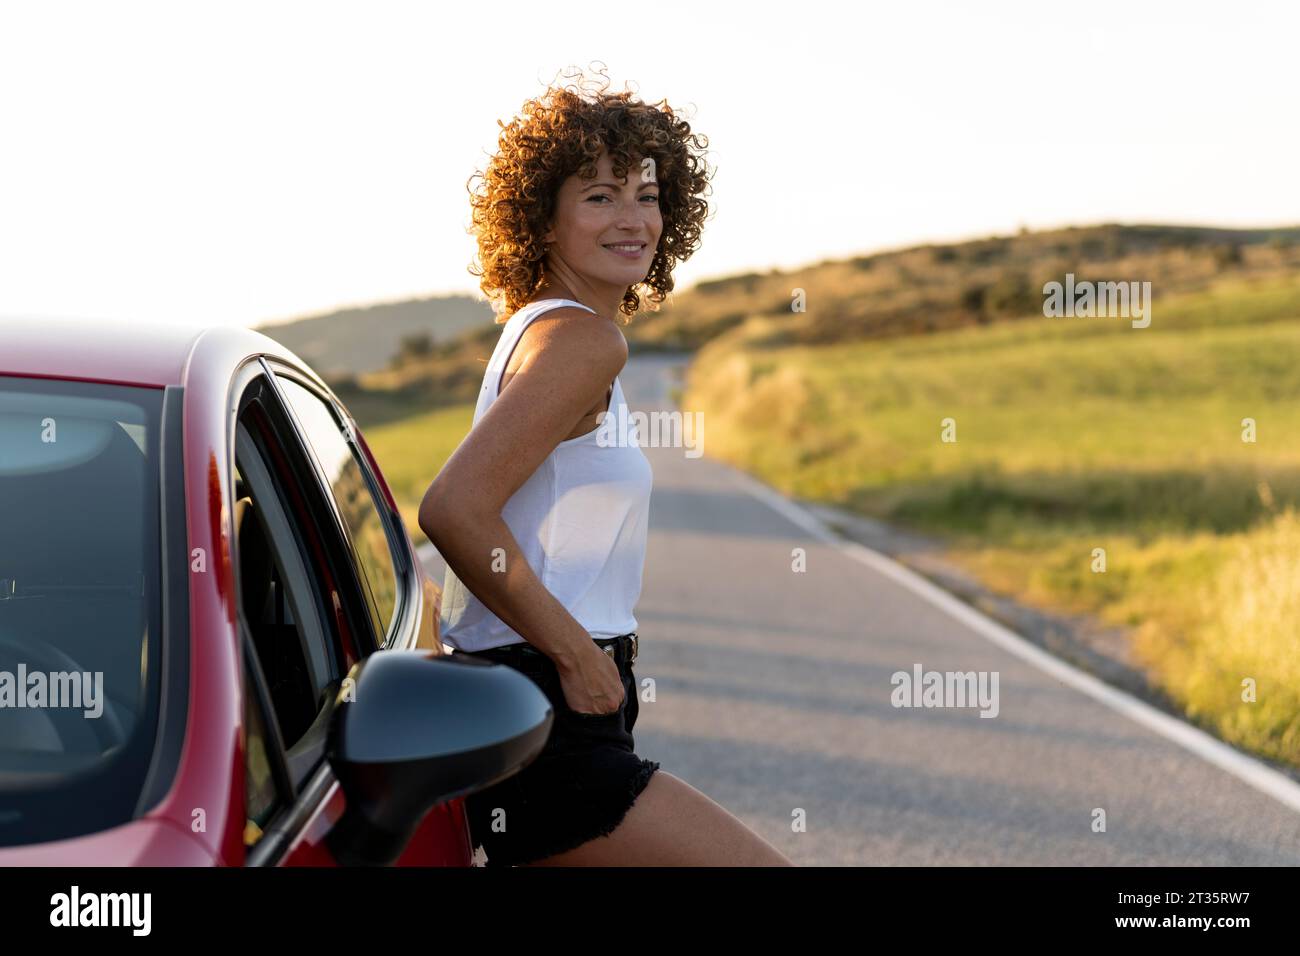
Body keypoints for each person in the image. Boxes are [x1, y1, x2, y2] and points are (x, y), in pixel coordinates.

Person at [418, 68, 792, 866]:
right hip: (548, 720)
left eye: (646, 194)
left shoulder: (549, 332)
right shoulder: (584, 341)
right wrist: (575, 656)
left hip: (538, 702)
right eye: (598, 196)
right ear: (543, 222)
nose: (634, 219)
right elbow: (453, 509)